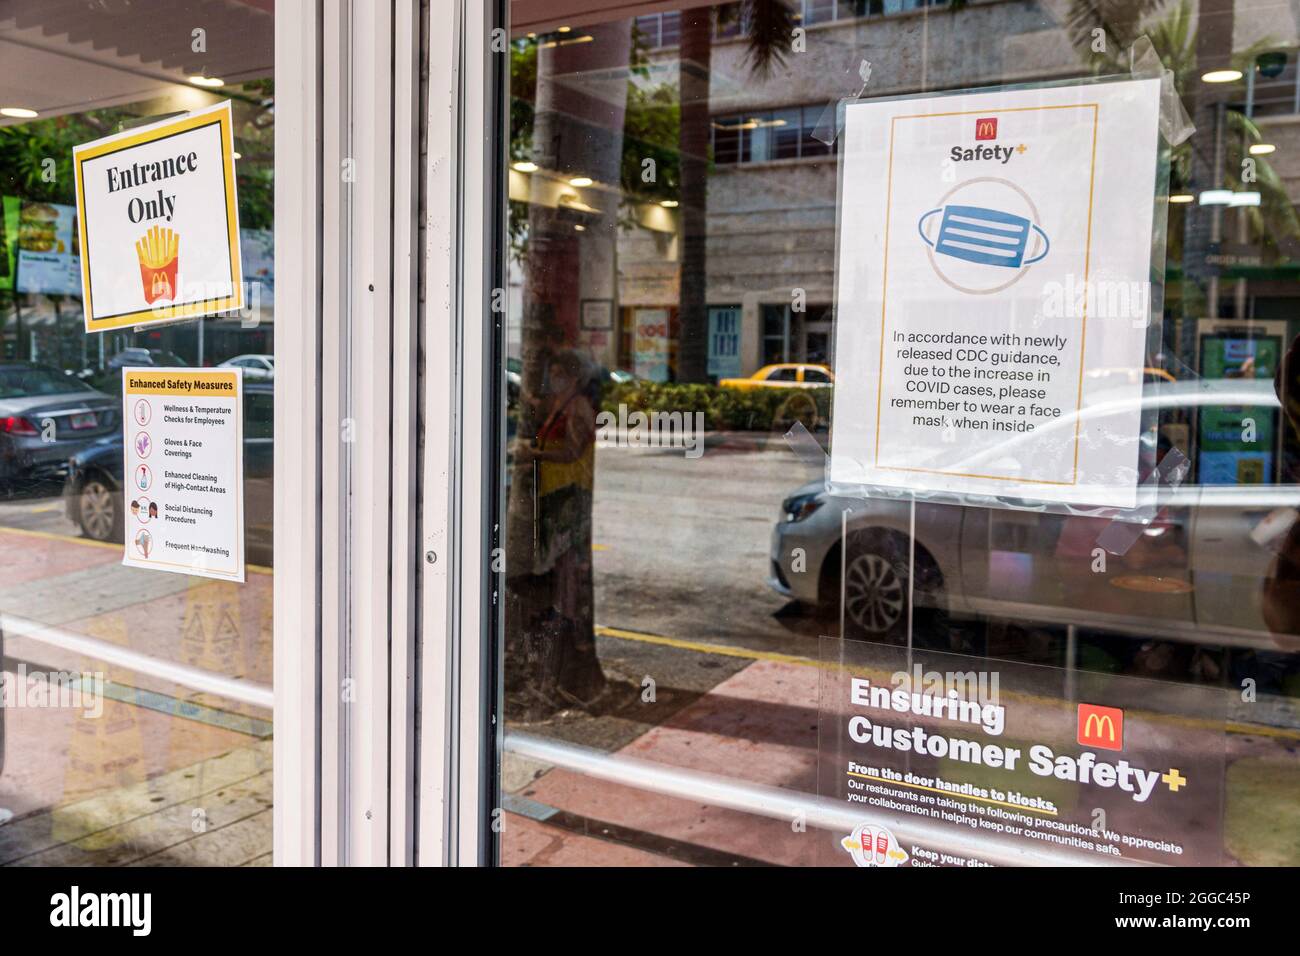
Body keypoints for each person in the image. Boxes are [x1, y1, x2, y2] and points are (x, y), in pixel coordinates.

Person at [507, 349, 607, 716]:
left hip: (569, 492)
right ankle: (563, 618)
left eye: (559, 372)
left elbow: (573, 451)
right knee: (558, 559)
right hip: (554, 492)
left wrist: (533, 453)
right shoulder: (560, 402)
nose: (554, 378)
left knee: (565, 560)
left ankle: (568, 624)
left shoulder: (578, 406)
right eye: (552, 372)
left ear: (573, 375)